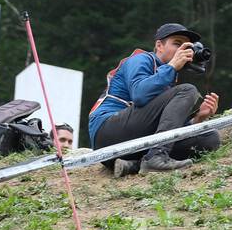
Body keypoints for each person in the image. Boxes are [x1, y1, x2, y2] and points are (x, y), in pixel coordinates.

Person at [88, 23, 221, 177]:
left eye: (186, 47)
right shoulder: (141, 59)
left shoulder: (167, 77)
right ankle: (156, 157)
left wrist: (199, 118)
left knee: (209, 138)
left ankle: (133, 165)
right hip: (107, 134)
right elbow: (139, 95)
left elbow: (166, 128)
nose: (181, 50)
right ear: (159, 45)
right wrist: (171, 67)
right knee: (188, 90)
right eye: (177, 44)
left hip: (127, 147)